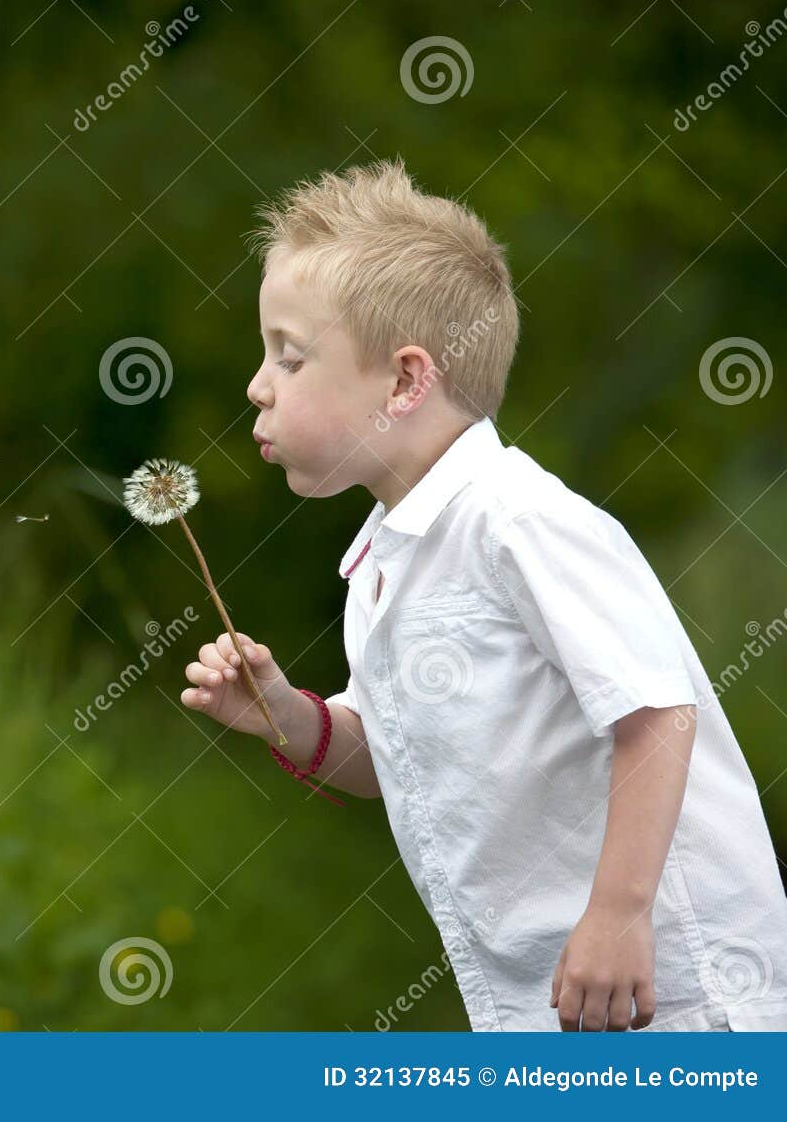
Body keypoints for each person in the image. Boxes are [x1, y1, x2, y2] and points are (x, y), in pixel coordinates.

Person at [181, 158, 787, 1032]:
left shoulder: (521, 523)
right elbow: (392, 764)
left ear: (403, 380)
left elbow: (658, 713)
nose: (258, 382)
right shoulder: (384, 563)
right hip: (548, 1007)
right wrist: (287, 714)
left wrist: (618, 915)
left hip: (679, 990)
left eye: (291, 355)